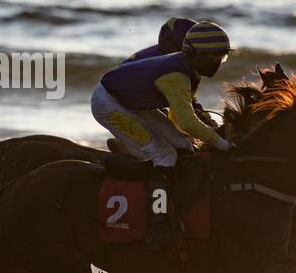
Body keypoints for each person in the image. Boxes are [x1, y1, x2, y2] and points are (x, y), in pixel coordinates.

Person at [91, 21, 234, 244]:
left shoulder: (189, 68)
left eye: (222, 58)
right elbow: (186, 120)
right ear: (195, 55)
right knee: (164, 155)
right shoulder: (177, 76)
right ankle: (158, 223)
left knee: (183, 146)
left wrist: (201, 134)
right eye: (213, 57)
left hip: (131, 101)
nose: (218, 63)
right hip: (109, 103)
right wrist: (221, 143)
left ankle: (177, 202)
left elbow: (179, 119)